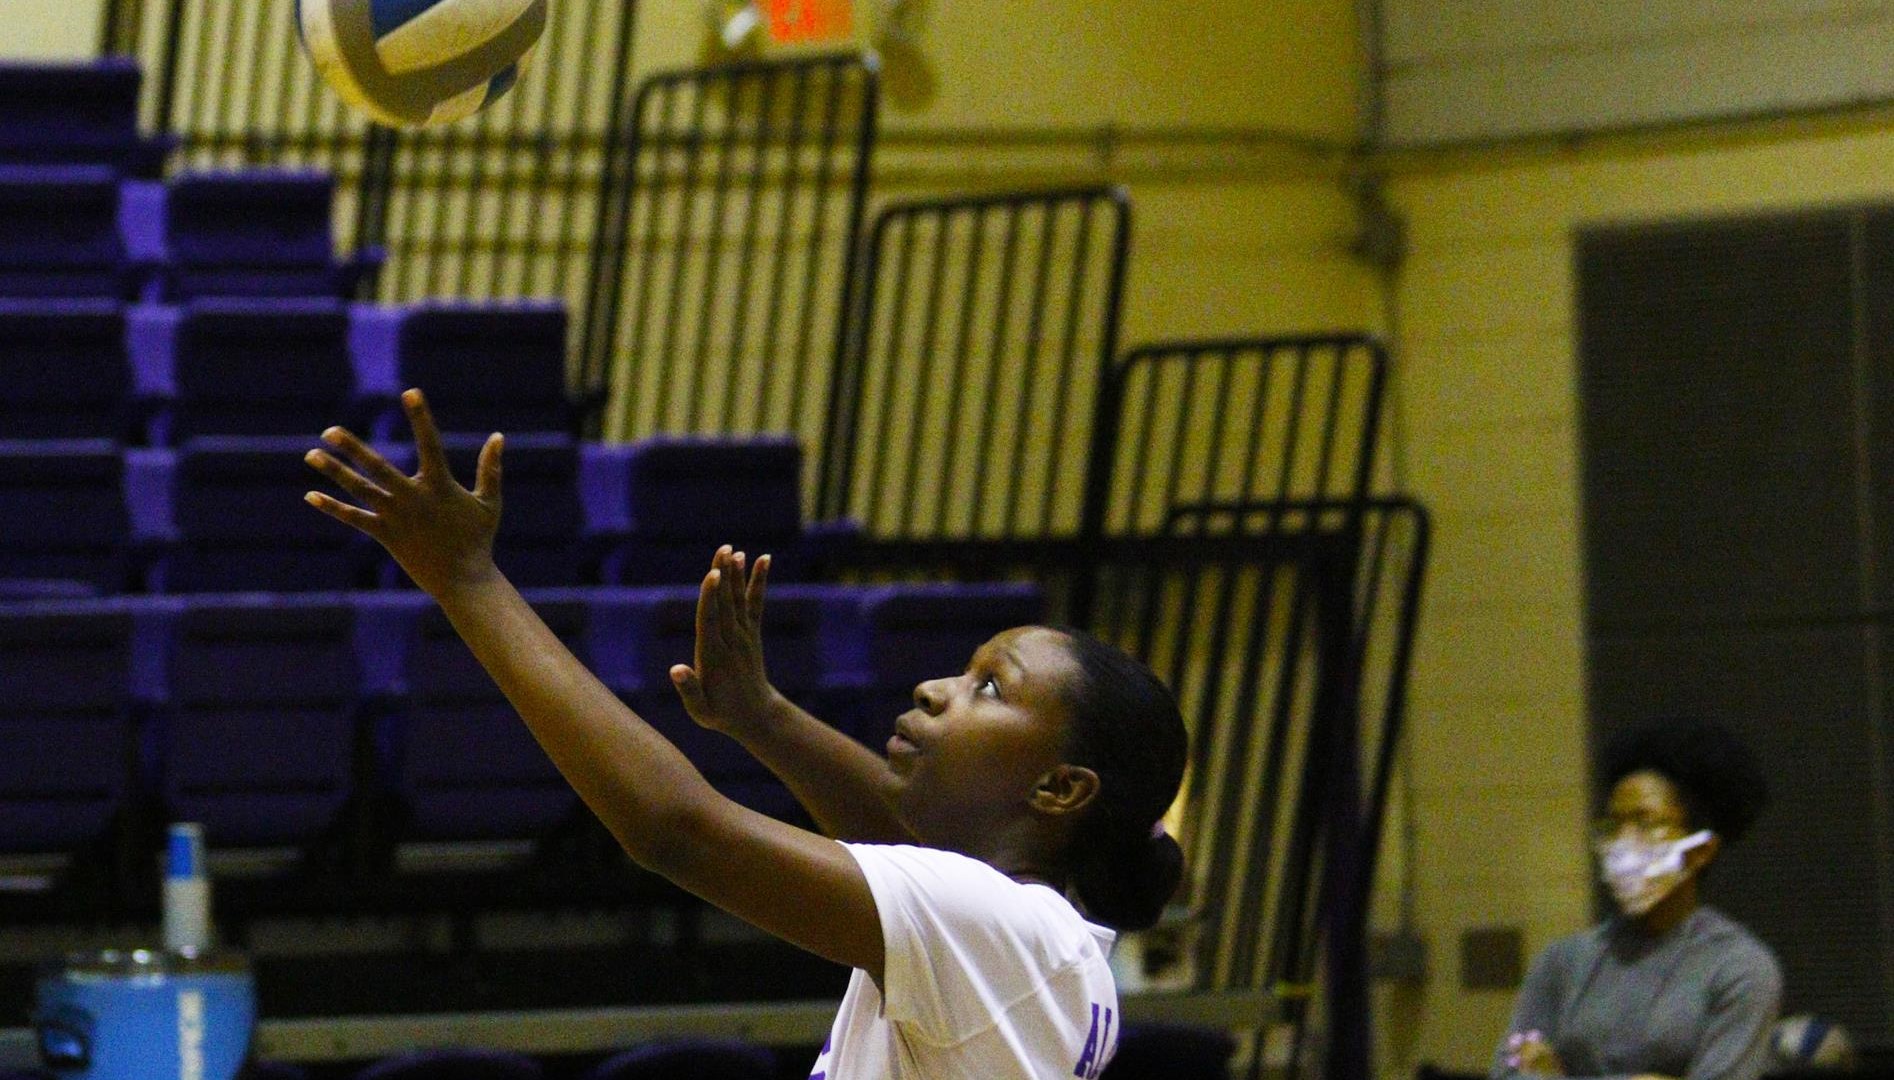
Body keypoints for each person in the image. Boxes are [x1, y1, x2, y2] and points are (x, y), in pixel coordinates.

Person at [302, 390, 1190, 1080]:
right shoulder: (1035, 942)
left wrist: (468, 583)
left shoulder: (997, 924)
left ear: (1061, 789)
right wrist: (760, 715)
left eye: (990, 687)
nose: (937, 688)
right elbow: (891, 833)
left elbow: (673, 829)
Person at [1493, 718, 1781, 1080]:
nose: (1623, 843)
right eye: (1613, 825)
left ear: (1700, 851)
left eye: (1644, 824)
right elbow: (1510, 1070)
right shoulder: (1563, 963)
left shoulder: (1738, 968)